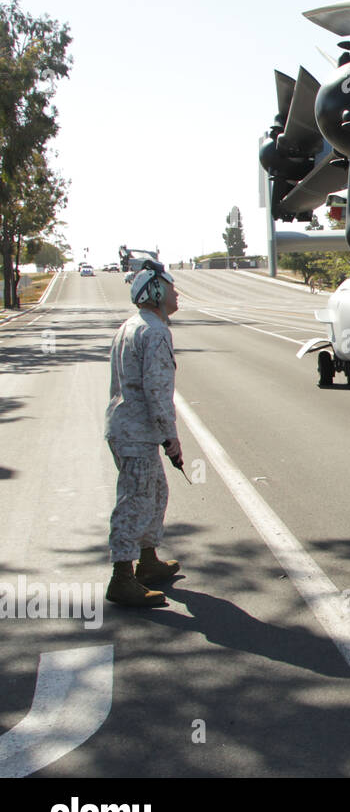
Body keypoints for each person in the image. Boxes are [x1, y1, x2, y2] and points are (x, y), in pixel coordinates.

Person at [104, 260, 183, 607]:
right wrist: (172, 438)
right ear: (154, 292)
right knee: (134, 502)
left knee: (155, 493)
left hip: (129, 429)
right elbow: (157, 390)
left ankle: (147, 562)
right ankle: (122, 577)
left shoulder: (132, 326)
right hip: (137, 432)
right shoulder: (154, 331)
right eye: (170, 286)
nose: (176, 292)